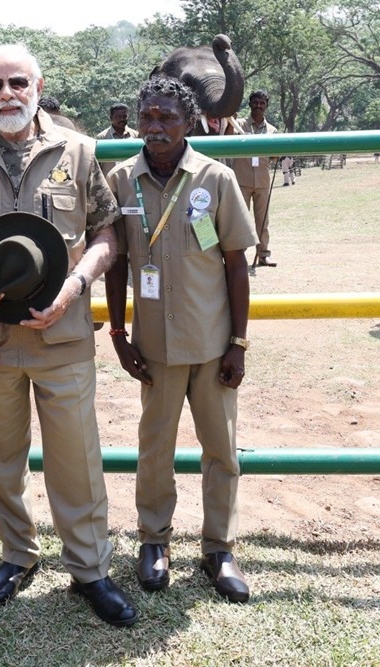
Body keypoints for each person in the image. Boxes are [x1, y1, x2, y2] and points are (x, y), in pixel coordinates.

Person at [0, 43, 138, 628]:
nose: (6, 94)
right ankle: (17, 555)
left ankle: (90, 569)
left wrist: (72, 288)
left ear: (38, 85)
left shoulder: (79, 149)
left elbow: (105, 238)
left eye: (17, 82)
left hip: (61, 332)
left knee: (78, 456)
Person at [105, 75, 257, 604]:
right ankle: (154, 542)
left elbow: (236, 263)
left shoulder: (215, 179)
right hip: (155, 349)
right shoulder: (123, 180)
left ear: (189, 122)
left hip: (213, 344)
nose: (155, 127)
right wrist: (120, 334)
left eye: (167, 117)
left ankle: (219, 548)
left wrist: (238, 342)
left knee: (221, 451)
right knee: (155, 449)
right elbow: (118, 261)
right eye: (148, 116)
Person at [230, 90, 280, 268]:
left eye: (262, 103)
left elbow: (275, 157)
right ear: (250, 104)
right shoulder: (239, 125)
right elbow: (228, 139)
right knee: (240, 220)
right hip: (241, 181)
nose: (258, 106)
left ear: (266, 106)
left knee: (263, 220)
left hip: (262, 182)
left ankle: (263, 255)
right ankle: (238, 255)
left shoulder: (272, 130)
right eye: (255, 102)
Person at [96, 103, 140, 174]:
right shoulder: (102, 138)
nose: (122, 119)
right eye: (118, 117)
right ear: (111, 118)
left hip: (131, 181)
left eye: (124, 116)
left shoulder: (135, 136)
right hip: (109, 183)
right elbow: (96, 166)